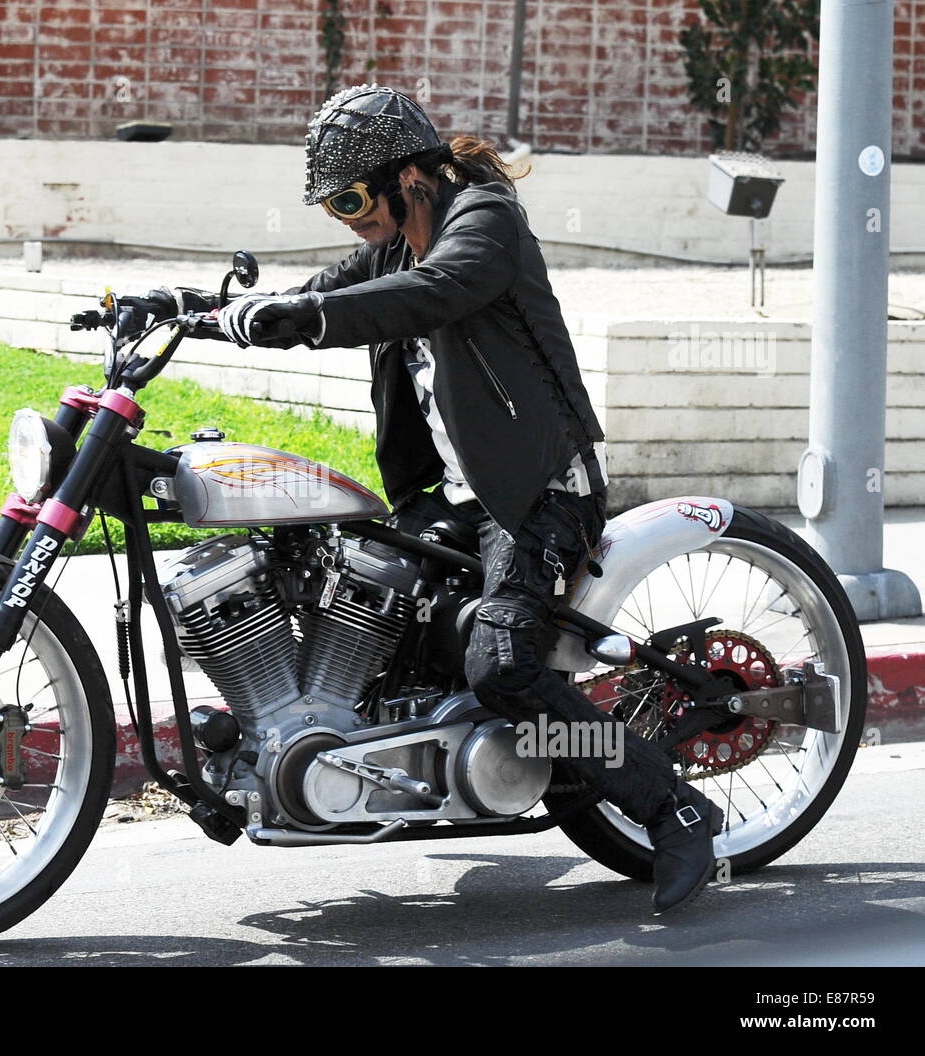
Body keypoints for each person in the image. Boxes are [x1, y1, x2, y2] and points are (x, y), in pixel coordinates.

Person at [129, 84, 722, 914]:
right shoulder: (391, 248)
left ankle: (671, 803)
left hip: (535, 496)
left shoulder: (485, 222)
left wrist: (298, 318)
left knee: (504, 665)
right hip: (447, 500)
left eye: (351, 198)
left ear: (409, 176)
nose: (346, 220)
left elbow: (429, 293)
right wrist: (190, 311)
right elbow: (319, 292)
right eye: (333, 206)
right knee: (357, 593)